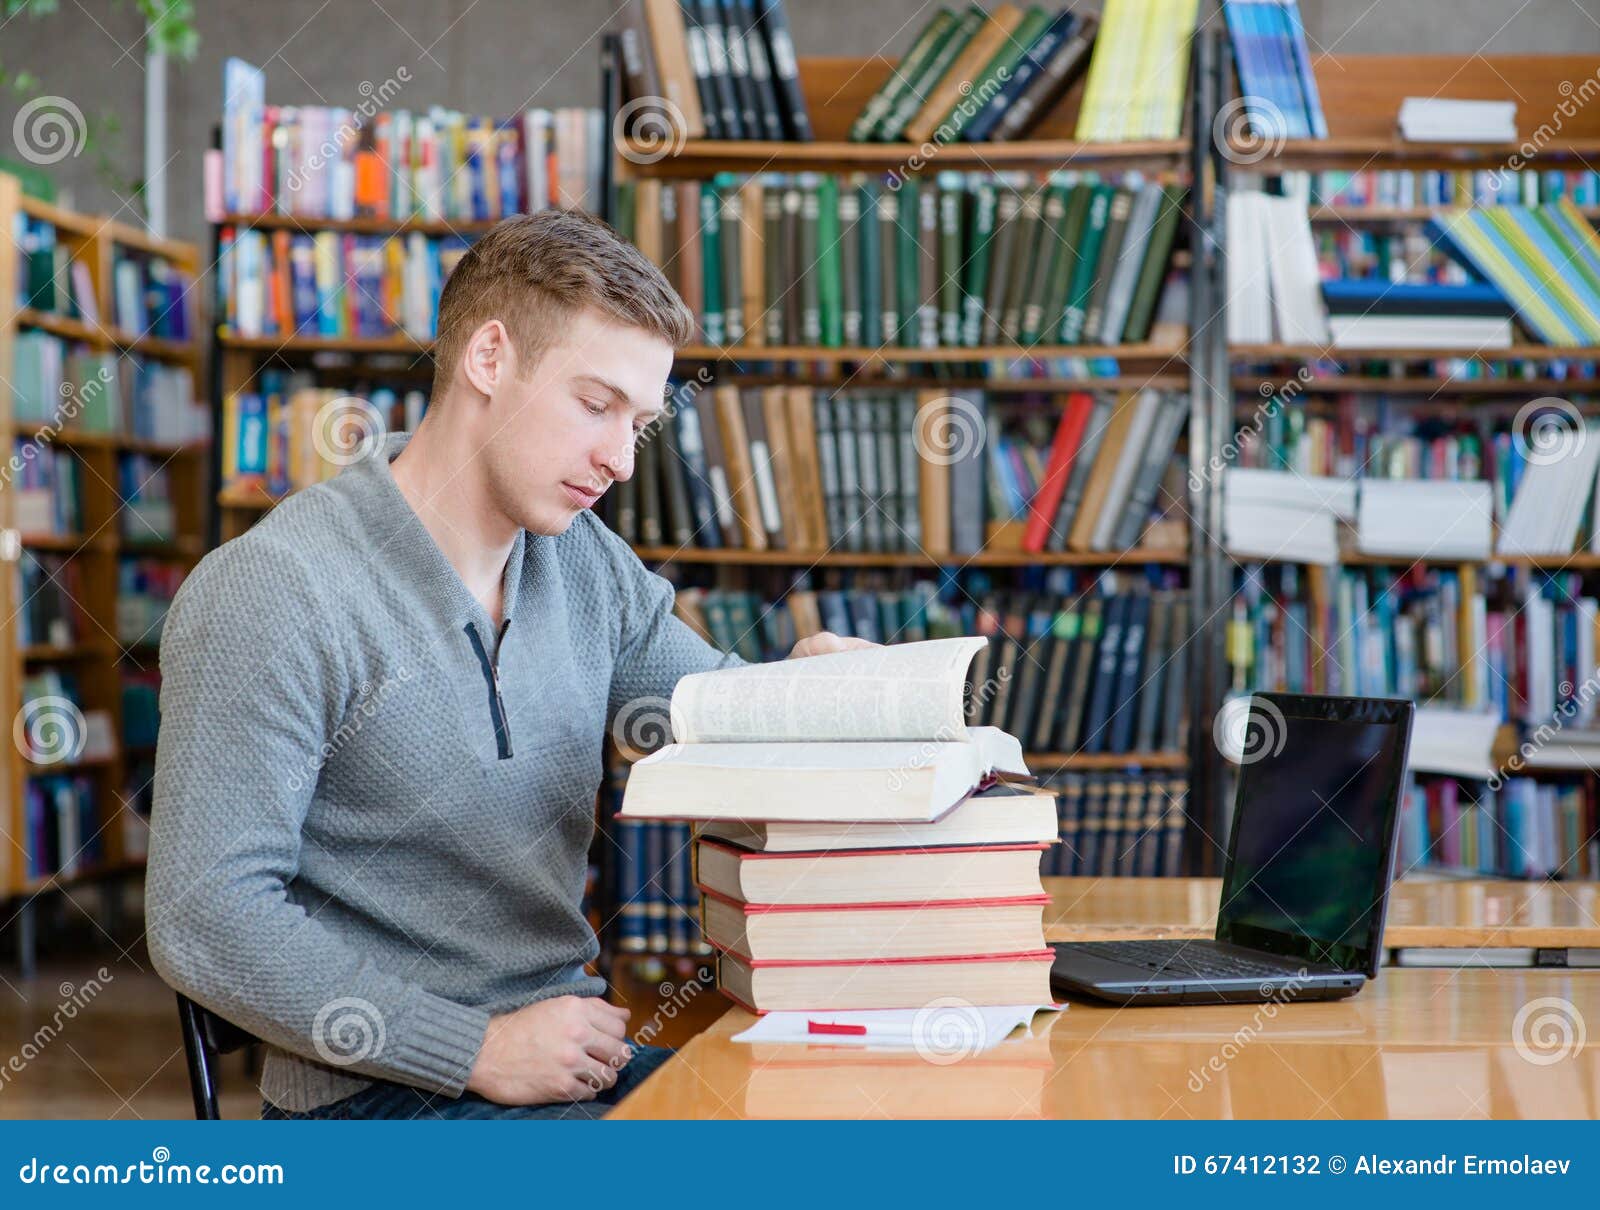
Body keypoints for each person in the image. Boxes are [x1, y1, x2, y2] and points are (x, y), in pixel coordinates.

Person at [147, 208, 868, 1119]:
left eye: (638, 424)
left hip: (565, 1070)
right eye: (596, 404)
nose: (618, 458)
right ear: (489, 360)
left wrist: (813, 693)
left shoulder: (582, 561)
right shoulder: (276, 590)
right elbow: (206, 918)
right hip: (378, 1101)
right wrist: (476, 1049)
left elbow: (713, 718)